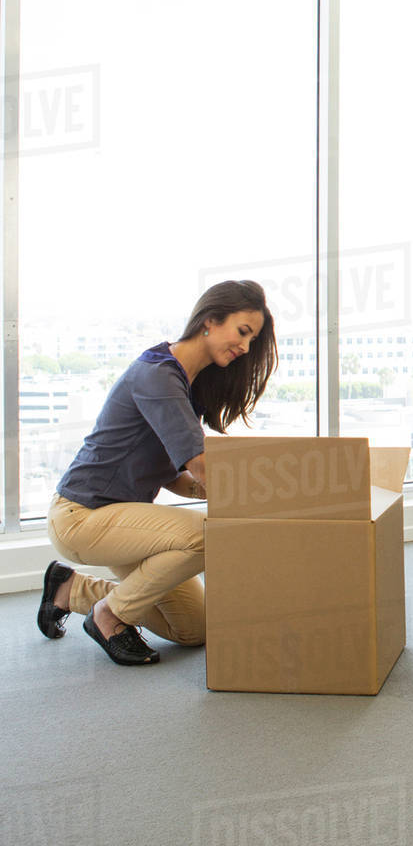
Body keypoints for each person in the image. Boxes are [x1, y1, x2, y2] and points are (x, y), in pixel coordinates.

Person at [37, 280, 277, 666]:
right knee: (209, 535)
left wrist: (212, 489)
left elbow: (173, 476)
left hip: (123, 525)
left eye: (252, 340)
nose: (246, 348)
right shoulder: (158, 375)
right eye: (243, 332)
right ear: (210, 320)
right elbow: (200, 465)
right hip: (81, 516)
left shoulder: (188, 384)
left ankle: (71, 590)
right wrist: (260, 498)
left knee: (194, 629)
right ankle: (109, 616)